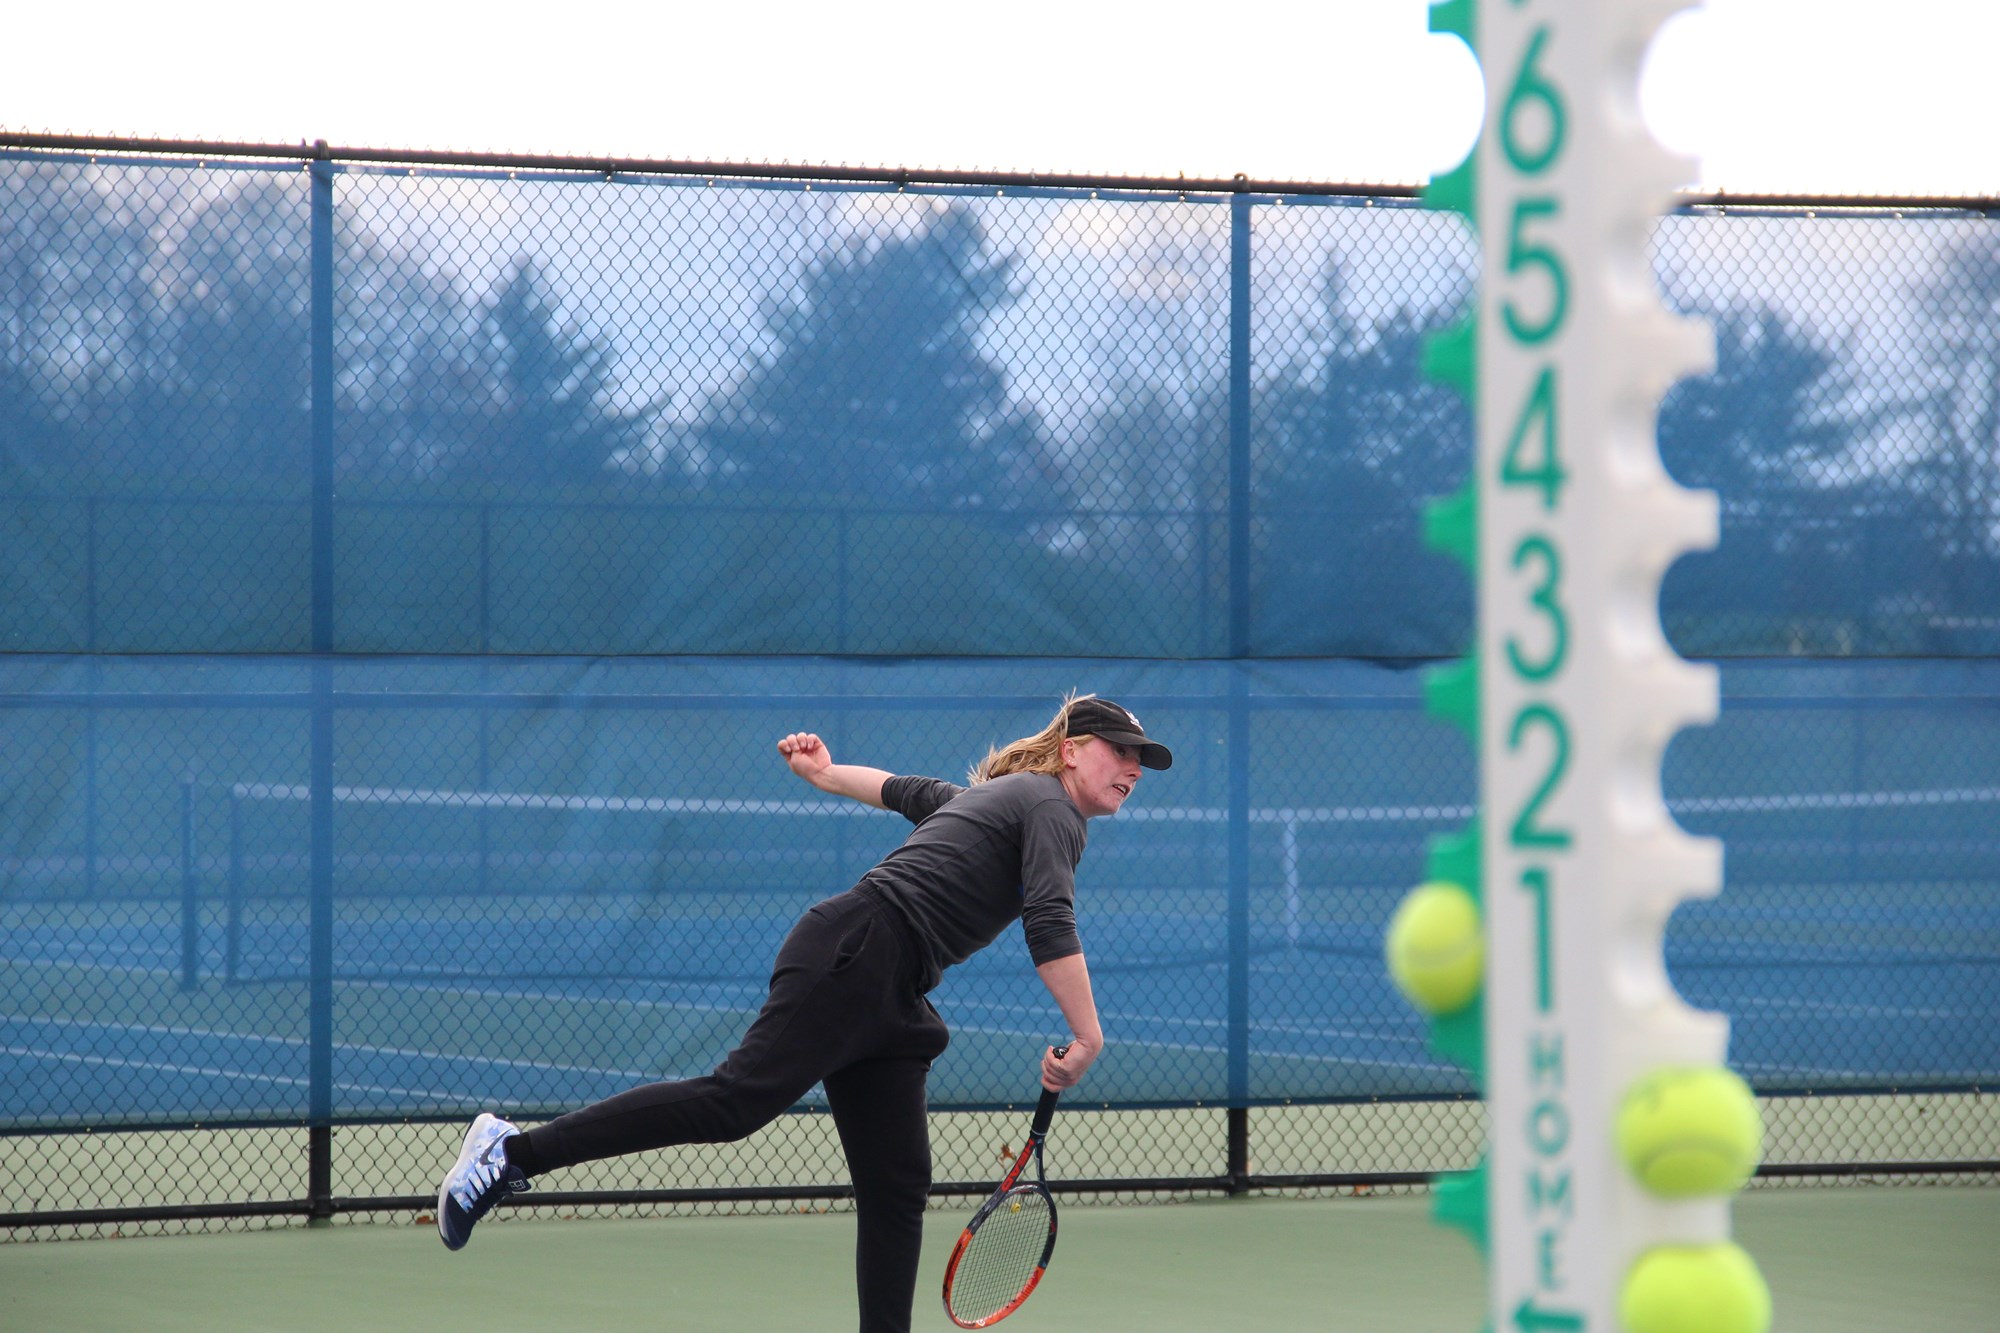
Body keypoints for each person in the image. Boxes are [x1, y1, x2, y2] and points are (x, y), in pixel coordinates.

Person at [434, 693, 1171, 1332]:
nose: (1133, 768)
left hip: (893, 989)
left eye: (1141, 759)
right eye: (1121, 751)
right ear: (1072, 751)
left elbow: (904, 791)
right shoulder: (1050, 807)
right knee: (733, 1102)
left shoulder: (1002, 801)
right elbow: (1049, 919)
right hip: (860, 951)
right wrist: (1087, 1033)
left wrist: (825, 773)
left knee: (897, 1187)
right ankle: (509, 1154)